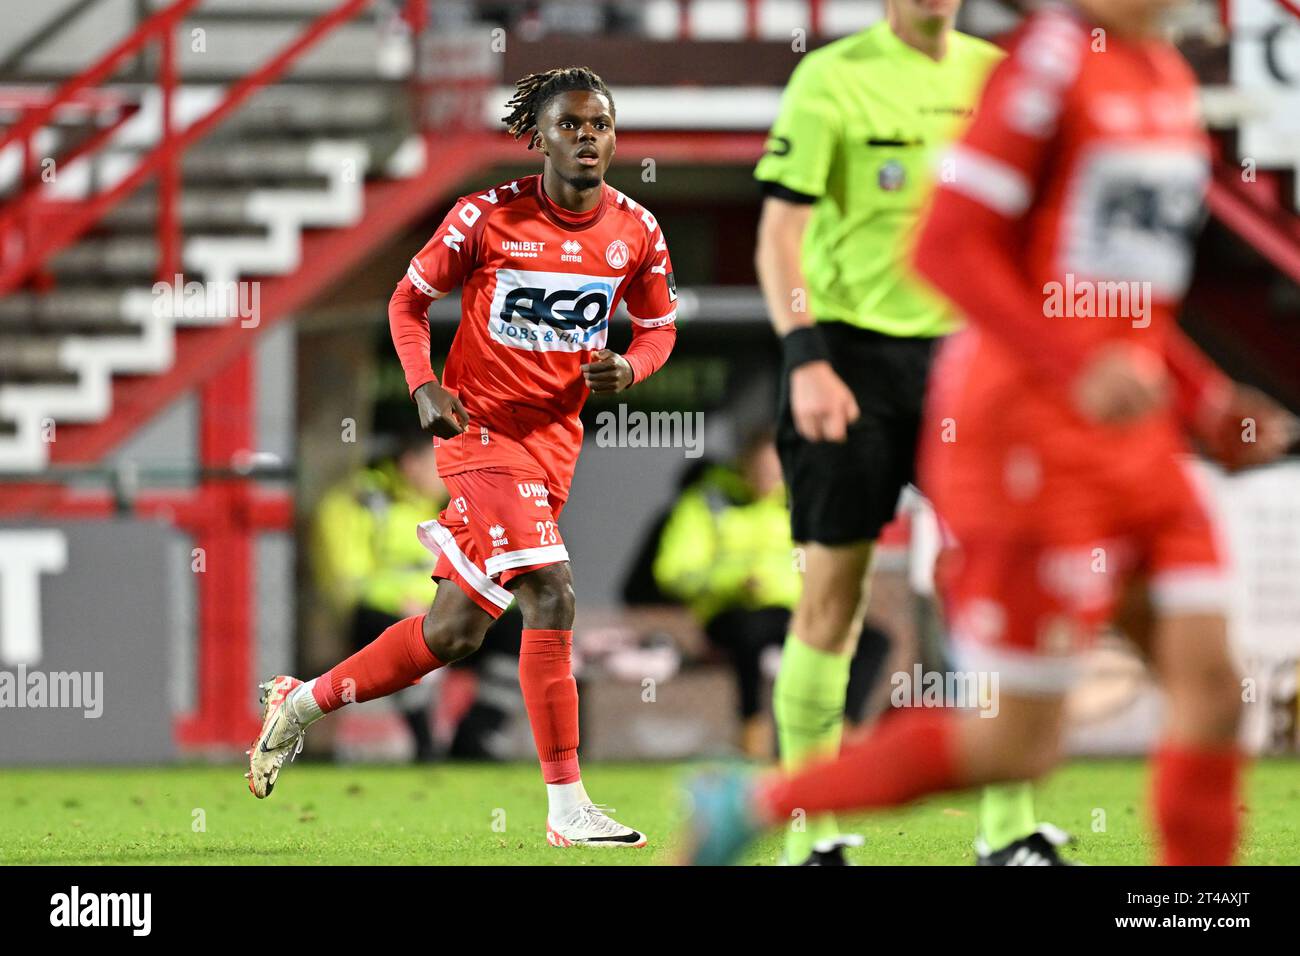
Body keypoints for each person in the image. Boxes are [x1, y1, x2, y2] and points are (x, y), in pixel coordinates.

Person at [684, 0, 1296, 866]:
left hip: (1047, 389)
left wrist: (1200, 398)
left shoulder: (1156, 76)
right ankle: (791, 825)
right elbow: (881, 240)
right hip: (904, 375)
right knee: (841, 611)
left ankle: (1032, 847)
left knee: (1209, 685)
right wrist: (806, 357)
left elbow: (1120, 287)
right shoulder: (1017, 69)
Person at [248, 66, 678, 848]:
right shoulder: (486, 215)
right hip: (478, 437)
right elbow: (408, 301)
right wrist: (421, 387)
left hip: (555, 445)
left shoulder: (636, 232)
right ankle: (568, 806)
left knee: (451, 635)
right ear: (539, 136)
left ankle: (300, 702)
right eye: (572, 124)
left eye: (602, 125)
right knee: (552, 593)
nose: (589, 137)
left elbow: (658, 329)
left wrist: (633, 367)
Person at [754, 0, 1056, 865]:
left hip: (974, 364)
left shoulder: (998, 79)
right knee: (831, 598)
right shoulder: (831, 77)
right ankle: (811, 839)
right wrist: (806, 357)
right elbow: (781, 237)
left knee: (1001, 593)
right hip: (849, 364)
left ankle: (1008, 834)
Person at [652, 431, 799, 757]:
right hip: (727, 613)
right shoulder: (707, 503)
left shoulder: (797, 505)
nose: (768, 479)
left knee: (868, 639)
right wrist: (735, 581)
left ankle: (844, 732)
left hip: (789, 614)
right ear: (743, 466)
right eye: (761, 470)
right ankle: (753, 733)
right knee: (751, 635)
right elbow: (672, 572)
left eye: (775, 471)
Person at [311, 432, 448, 760]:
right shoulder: (365, 500)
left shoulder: (451, 505)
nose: (449, 473)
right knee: (409, 640)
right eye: (441, 464)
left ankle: (477, 735)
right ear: (410, 464)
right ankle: (425, 742)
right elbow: (351, 578)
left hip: (437, 612)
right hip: (379, 611)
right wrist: (403, 600)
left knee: (510, 630)